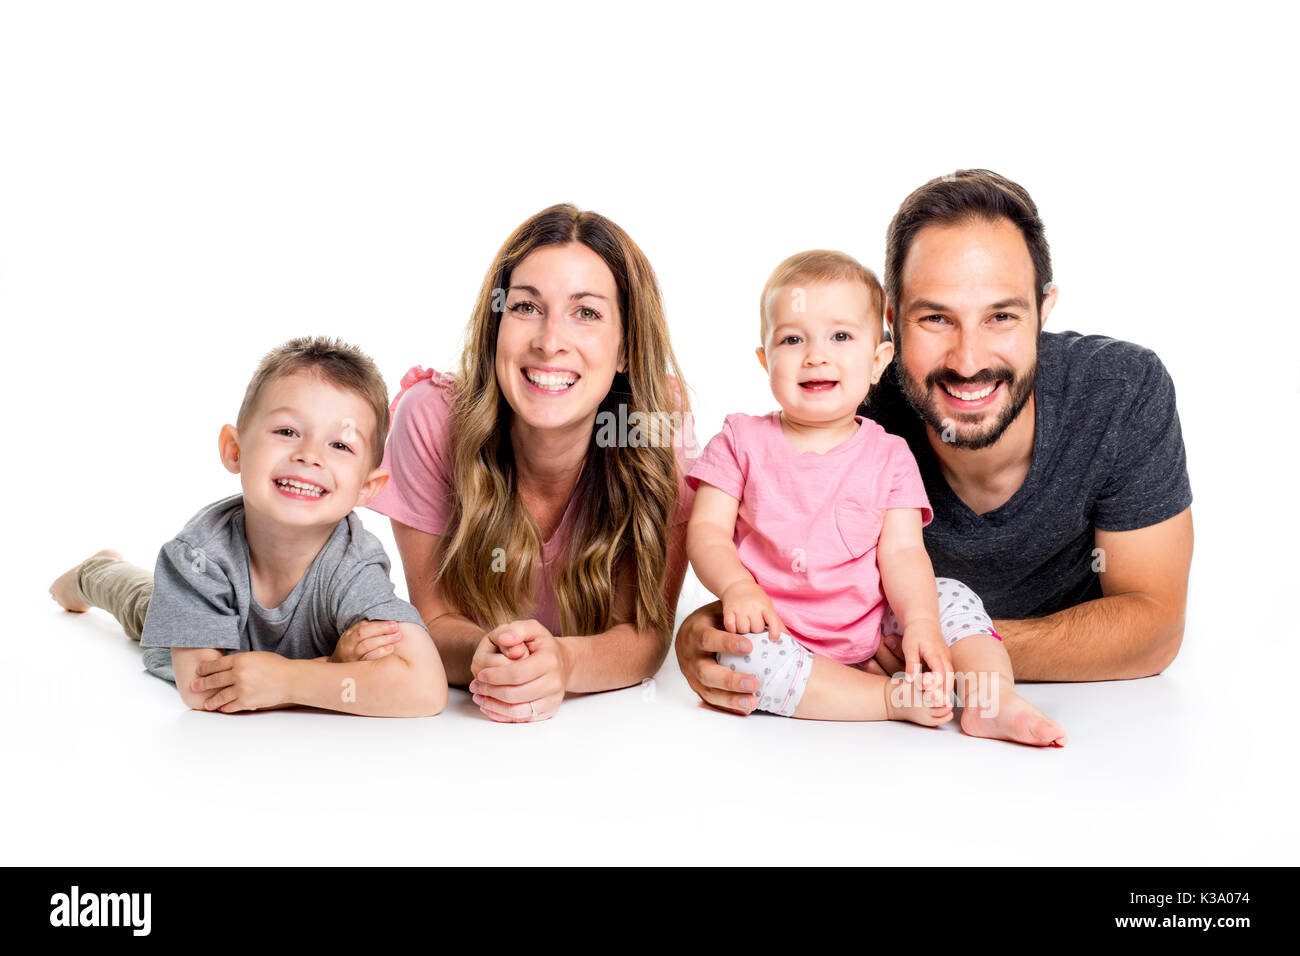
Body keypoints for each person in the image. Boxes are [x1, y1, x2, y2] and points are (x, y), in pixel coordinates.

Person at [677, 169, 1193, 710]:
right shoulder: (849, 410)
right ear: (892, 328)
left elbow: (1154, 626)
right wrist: (716, 626)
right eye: (936, 318)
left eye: (1001, 315)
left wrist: (945, 651)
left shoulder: (1119, 393)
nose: (968, 361)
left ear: (1043, 310)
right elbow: (768, 549)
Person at [685, 250, 1066, 744]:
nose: (816, 355)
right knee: (740, 656)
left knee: (953, 597)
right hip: (779, 625)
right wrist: (737, 587)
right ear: (765, 359)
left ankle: (992, 699)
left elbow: (904, 552)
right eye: (792, 339)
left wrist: (922, 622)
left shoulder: (889, 454)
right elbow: (707, 533)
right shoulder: (739, 441)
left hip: (873, 617)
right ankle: (886, 699)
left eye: (841, 336)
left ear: (878, 360)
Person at [367, 203, 695, 722]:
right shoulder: (430, 418)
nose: (548, 342)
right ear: (497, 323)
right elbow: (435, 619)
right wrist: (488, 657)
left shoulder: (656, 423)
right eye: (525, 307)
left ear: (626, 347)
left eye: (586, 313)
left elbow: (646, 636)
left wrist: (561, 662)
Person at [48, 336, 448, 717]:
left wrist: (290, 681)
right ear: (234, 449)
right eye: (287, 432)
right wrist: (329, 668)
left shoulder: (354, 562)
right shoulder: (198, 556)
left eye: (340, 445)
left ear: (367, 487)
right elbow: (202, 688)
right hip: (192, 628)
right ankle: (94, 572)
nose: (309, 455)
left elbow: (426, 687)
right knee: (139, 604)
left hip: (265, 659)